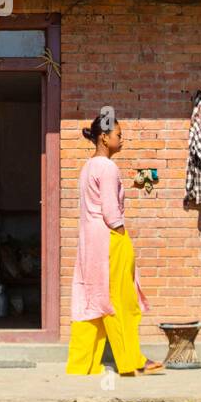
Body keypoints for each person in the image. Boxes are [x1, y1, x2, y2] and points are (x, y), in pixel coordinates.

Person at [66, 113, 163, 376]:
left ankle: (81, 366)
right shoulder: (108, 167)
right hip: (110, 240)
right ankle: (132, 360)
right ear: (104, 137)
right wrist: (122, 233)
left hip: (89, 244)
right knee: (122, 302)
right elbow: (110, 211)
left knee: (92, 304)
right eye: (118, 135)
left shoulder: (88, 167)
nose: (122, 140)